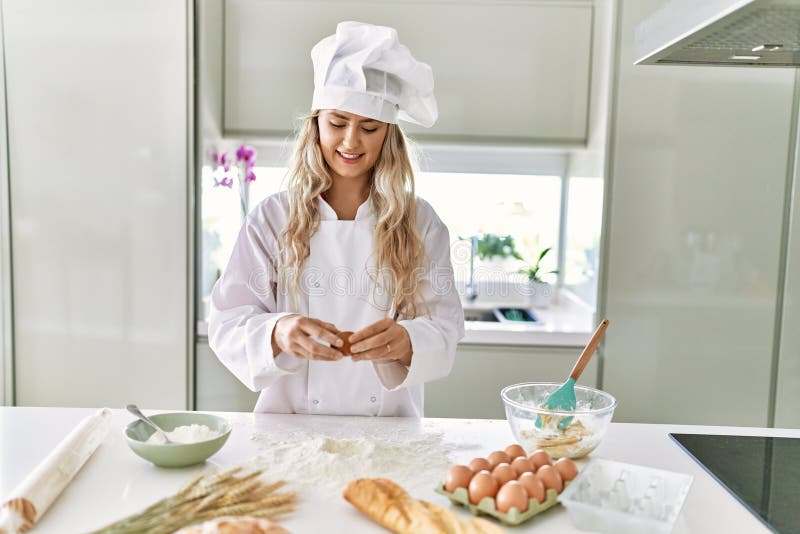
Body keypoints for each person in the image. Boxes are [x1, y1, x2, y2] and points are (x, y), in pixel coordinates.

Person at [208, 21, 464, 416]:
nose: (350, 141)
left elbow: (446, 327)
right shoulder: (272, 218)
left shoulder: (420, 221)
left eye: (369, 127)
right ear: (315, 125)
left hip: (389, 432)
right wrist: (278, 331)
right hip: (290, 429)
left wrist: (406, 340)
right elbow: (227, 321)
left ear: (388, 135)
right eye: (337, 123)